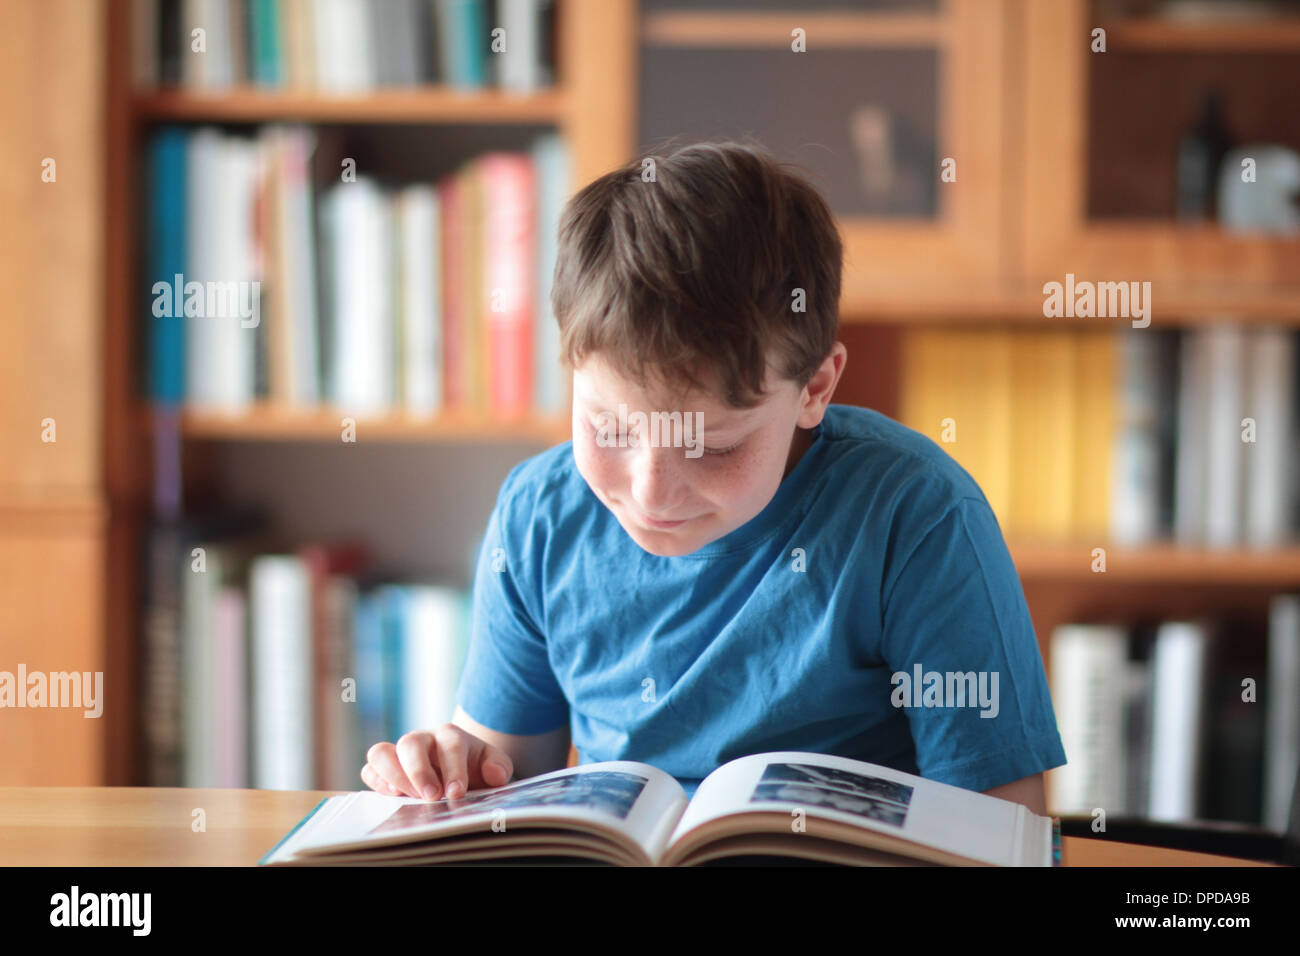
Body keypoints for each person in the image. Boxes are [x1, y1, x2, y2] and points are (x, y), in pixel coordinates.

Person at [361, 141, 1066, 815]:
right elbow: (507, 786)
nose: (649, 493)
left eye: (712, 447)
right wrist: (451, 771)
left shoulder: (917, 517)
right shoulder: (537, 519)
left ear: (814, 388)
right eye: (609, 429)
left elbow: (998, 829)